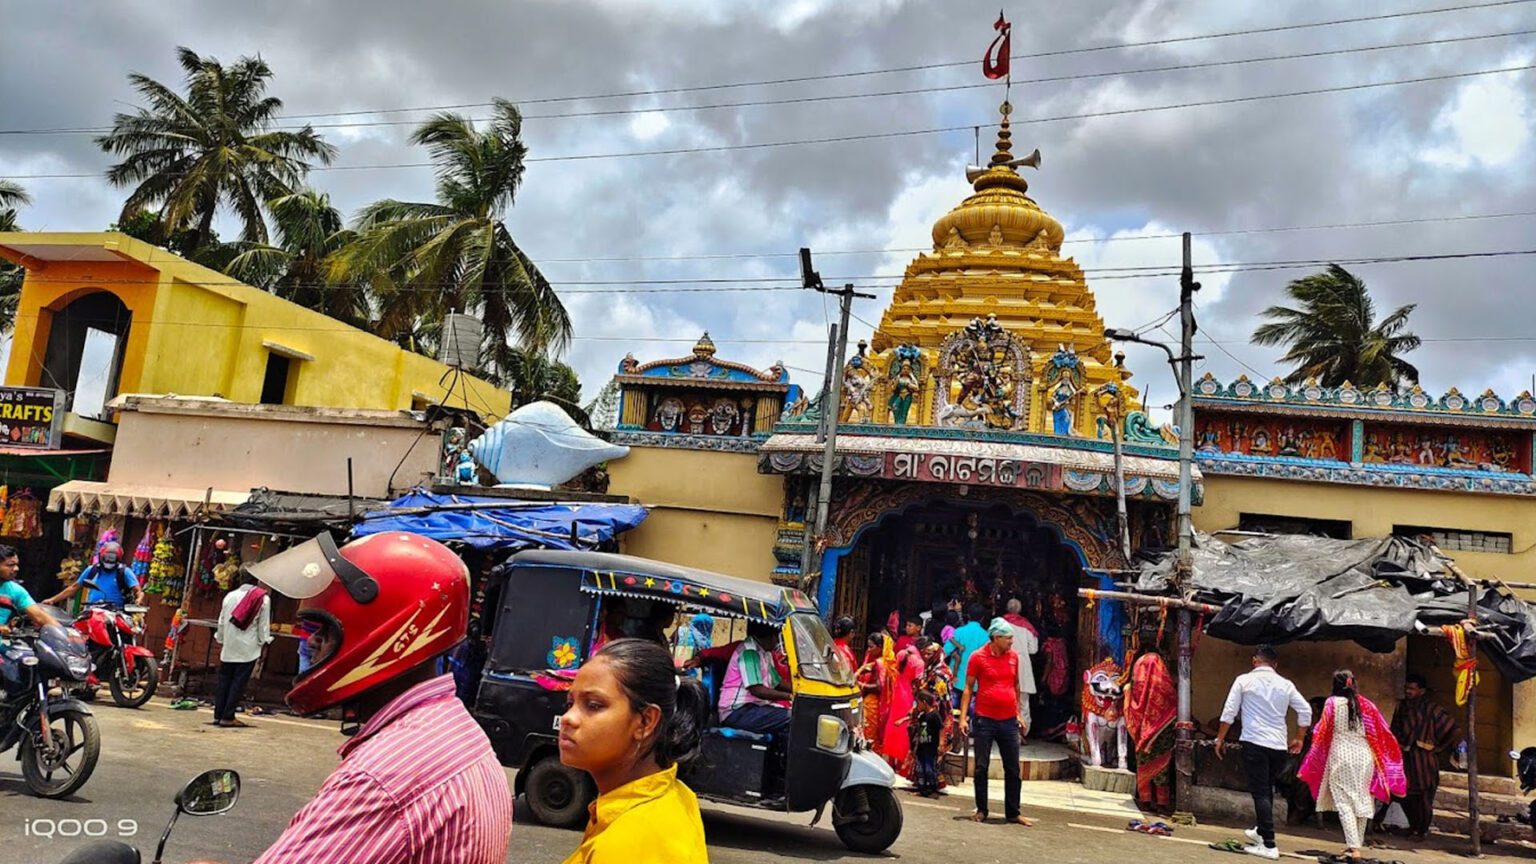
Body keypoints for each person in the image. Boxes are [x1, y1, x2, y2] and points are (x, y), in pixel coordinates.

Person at [224, 531, 512, 864]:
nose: (312, 643)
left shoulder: (383, 776)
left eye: (325, 630)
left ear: (382, 631)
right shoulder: (458, 731)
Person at [558, 638, 709, 863]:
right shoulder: (673, 793)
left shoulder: (627, 845)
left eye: (593, 705)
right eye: (570, 703)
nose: (567, 718)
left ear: (646, 721)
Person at [1214, 644, 1313, 860]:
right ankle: (1260, 831)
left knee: (1260, 792)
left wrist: (1220, 738)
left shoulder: (1244, 680)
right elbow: (1305, 709)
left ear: (1254, 661)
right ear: (1275, 664)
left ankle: (1269, 844)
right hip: (1278, 746)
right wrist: (1299, 737)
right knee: (1266, 789)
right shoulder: (1285, 684)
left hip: (1254, 742)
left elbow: (1229, 712)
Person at [1298, 670, 1406, 861]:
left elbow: (1322, 729)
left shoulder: (1332, 703)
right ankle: (1354, 845)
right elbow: (1382, 731)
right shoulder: (1366, 704)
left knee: (1344, 802)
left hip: (1341, 754)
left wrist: (1313, 754)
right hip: (1365, 756)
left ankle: (1354, 847)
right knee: (1362, 799)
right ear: (1353, 684)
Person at [959, 618, 1035, 826]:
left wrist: (1018, 713)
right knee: (981, 767)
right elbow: (968, 687)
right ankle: (982, 809)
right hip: (985, 719)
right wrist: (963, 718)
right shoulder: (977, 657)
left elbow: (1016, 685)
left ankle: (1013, 812)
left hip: (1009, 720)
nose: (1012, 641)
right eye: (1008, 637)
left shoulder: (1013, 658)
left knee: (1013, 768)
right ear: (996, 637)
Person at [1389, 672, 1460, 840]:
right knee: (1403, 795)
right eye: (1407, 688)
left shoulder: (1433, 710)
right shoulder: (1401, 707)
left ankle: (1421, 831)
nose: (1408, 691)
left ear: (1421, 691)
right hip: (1405, 758)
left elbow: (1454, 729)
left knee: (1424, 798)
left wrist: (1439, 748)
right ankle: (1413, 827)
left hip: (1424, 761)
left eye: (1412, 689)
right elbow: (1394, 730)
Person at [211, 570, 273, 728]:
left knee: (224, 680)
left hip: (229, 645)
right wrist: (263, 641)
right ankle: (228, 716)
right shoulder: (263, 598)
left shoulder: (230, 596)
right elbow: (263, 627)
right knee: (238, 682)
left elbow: (222, 621)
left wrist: (222, 639)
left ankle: (218, 715)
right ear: (257, 579)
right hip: (248, 647)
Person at [1, 545, 60, 695]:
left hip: (3, 644)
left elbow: (39, 616)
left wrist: (64, 633)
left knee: (27, 665)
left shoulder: (15, 590)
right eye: (10, 565)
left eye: (16, 564)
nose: (15, 569)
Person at [1125, 649, 1178, 812]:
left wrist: (1127, 692)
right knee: (1161, 765)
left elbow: (1133, 706)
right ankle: (1162, 801)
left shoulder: (1136, 684)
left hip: (1143, 732)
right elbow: (1174, 705)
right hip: (1163, 730)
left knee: (1144, 762)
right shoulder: (1167, 684)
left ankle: (1145, 799)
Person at [719, 621, 793, 734]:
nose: (778, 642)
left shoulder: (764, 653)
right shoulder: (749, 652)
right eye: (777, 637)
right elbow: (757, 690)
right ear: (770, 636)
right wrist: (790, 696)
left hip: (753, 708)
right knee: (792, 718)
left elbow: (777, 682)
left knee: (792, 714)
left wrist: (801, 690)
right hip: (737, 712)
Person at [45, 539, 143, 609]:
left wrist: (139, 599)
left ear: (118, 559)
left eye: (112, 558)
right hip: (92, 612)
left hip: (115, 613)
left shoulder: (124, 572)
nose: (109, 560)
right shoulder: (92, 569)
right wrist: (52, 600)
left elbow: (138, 590)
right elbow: (73, 588)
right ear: (101, 556)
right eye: (107, 557)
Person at [879, 637, 923, 767]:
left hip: (896, 693)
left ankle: (890, 759)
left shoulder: (901, 654)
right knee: (905, 726)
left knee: (893, 725)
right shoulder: (919, 662)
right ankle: (902, 762)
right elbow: (918, 683)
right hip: (908, 696)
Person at [1001, 598, 1039, 731]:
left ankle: (1004, 731)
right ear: (1020, 610)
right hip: (1022, 665)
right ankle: (1023, 731)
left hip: (1003, 663)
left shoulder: (1000, 624)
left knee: (1003, 699)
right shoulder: (1027, 626)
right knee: (1023, 702)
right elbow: (1033, 649)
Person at [901, 689, 944, 799]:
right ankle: (922, 790)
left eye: (918, 703)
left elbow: (941, 729)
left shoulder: (934, 715)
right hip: (922, 748)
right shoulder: (922, 716)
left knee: (930, 769)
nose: (917, 705)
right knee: (921, 769)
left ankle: (932, 790)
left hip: (931, 748)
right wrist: (902, 720)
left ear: (924, 702)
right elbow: (914, 722)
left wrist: (941, 744)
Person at [945, 604, 991, 708]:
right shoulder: (987, 637)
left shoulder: (958, 632)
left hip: (956, 681)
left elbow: (945, 652)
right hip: (975, 684)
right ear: (983, 618)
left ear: (968, 616)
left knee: (952, 715)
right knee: (971, 718)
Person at [856, 633, 890, 749]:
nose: (869, 650)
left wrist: (862, 685)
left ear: (880, 647)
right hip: (875, 703)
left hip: (873, 704)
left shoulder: (880, 663)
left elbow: (879, 686)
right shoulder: (882, 661)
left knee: (869, 732)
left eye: (871, 647)